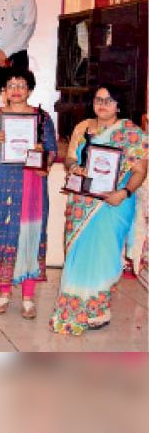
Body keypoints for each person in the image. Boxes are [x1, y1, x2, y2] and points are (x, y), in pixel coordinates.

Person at [50, 87, 147, 335]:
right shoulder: (83, 127)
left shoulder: (131, 134)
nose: (102, 104)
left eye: (109, 100)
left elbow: (139, 171)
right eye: (98, 99)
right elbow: (71, 158)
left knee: (103, 257)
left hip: (114, 203)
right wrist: (74, 168)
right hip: (82, 202)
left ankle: (97, 310)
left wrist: (123, 193)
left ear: (119, 104)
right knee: (78, 256)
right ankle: (70, 310)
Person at [0, 69, 57, 319]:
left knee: (29, 236)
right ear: (4, 90)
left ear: (29, 89)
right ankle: (4, 292)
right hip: (2, 183)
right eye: (11, 85)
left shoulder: (42, 118)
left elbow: (52, 151)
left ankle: (28, 297)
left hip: (31, 183)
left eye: (21, 85)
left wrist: (43, 155)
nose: (16, 89)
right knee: (4, 235)